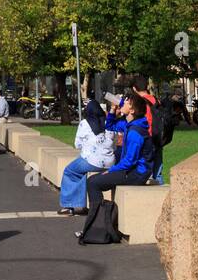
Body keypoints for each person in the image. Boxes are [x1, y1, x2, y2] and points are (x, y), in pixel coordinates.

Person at [76, 92, 152, 243]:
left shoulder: (136, 132)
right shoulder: (129, 124)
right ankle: (97, 223)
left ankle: (100, 224)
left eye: (126, 102)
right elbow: (109, 125)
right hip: (129, 170)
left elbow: (130, 161)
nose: (122, 102)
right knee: (93, 181)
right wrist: (112, 110)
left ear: (132, 110)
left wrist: (110, 170)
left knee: (94, 182)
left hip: (136, 174)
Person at [57, 98, 115, 215]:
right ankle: (80, 204)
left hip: (91, 161)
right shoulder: (108, 122)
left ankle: (70, 205)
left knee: (70, 171)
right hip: (110, 161)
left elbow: (77, 144)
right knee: (81, 169)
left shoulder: (84, 123)